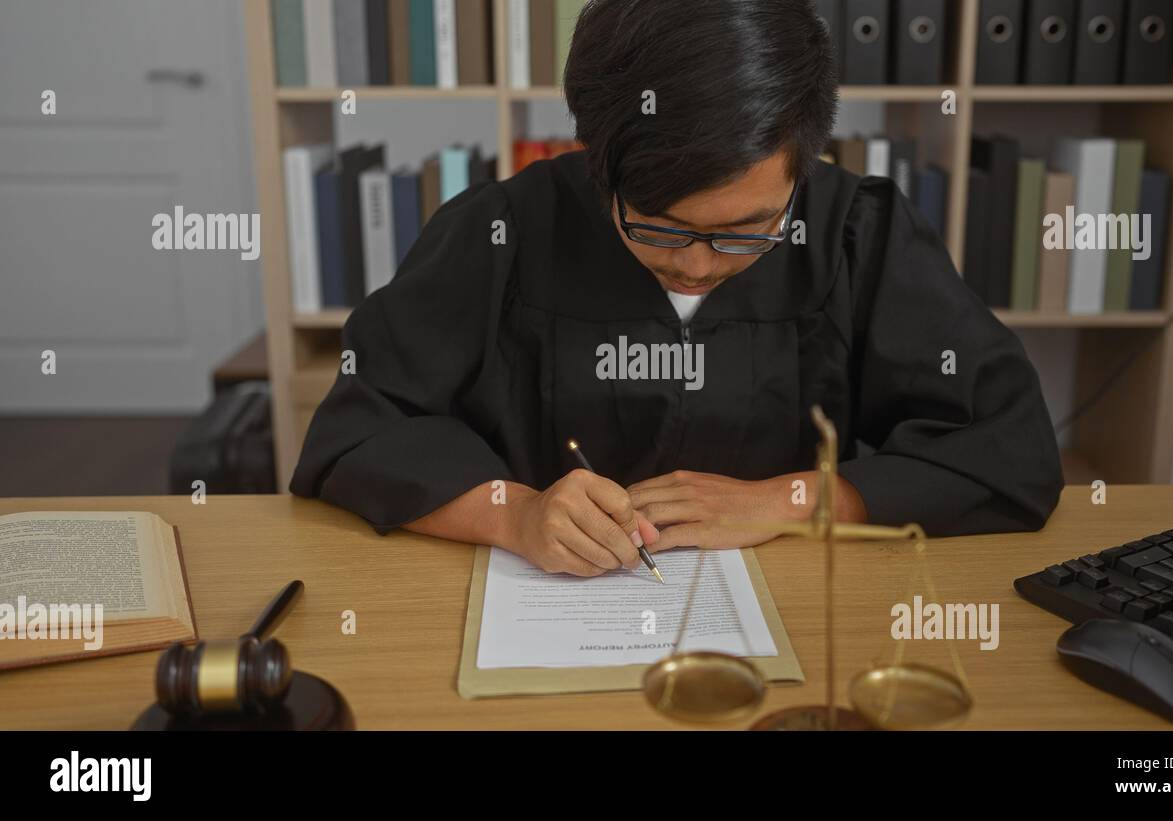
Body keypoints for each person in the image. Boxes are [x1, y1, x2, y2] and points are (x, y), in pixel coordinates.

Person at [290, 0, 1064, 576]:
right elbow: (357, 430)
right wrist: (515, 512)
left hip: (792, 614)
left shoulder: (856, 233)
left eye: (746, 229)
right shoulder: (505, 231)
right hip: (551, 617)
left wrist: (789, 501)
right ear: (599, 161)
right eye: (658, 225)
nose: (696, 266)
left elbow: (1009, 445)